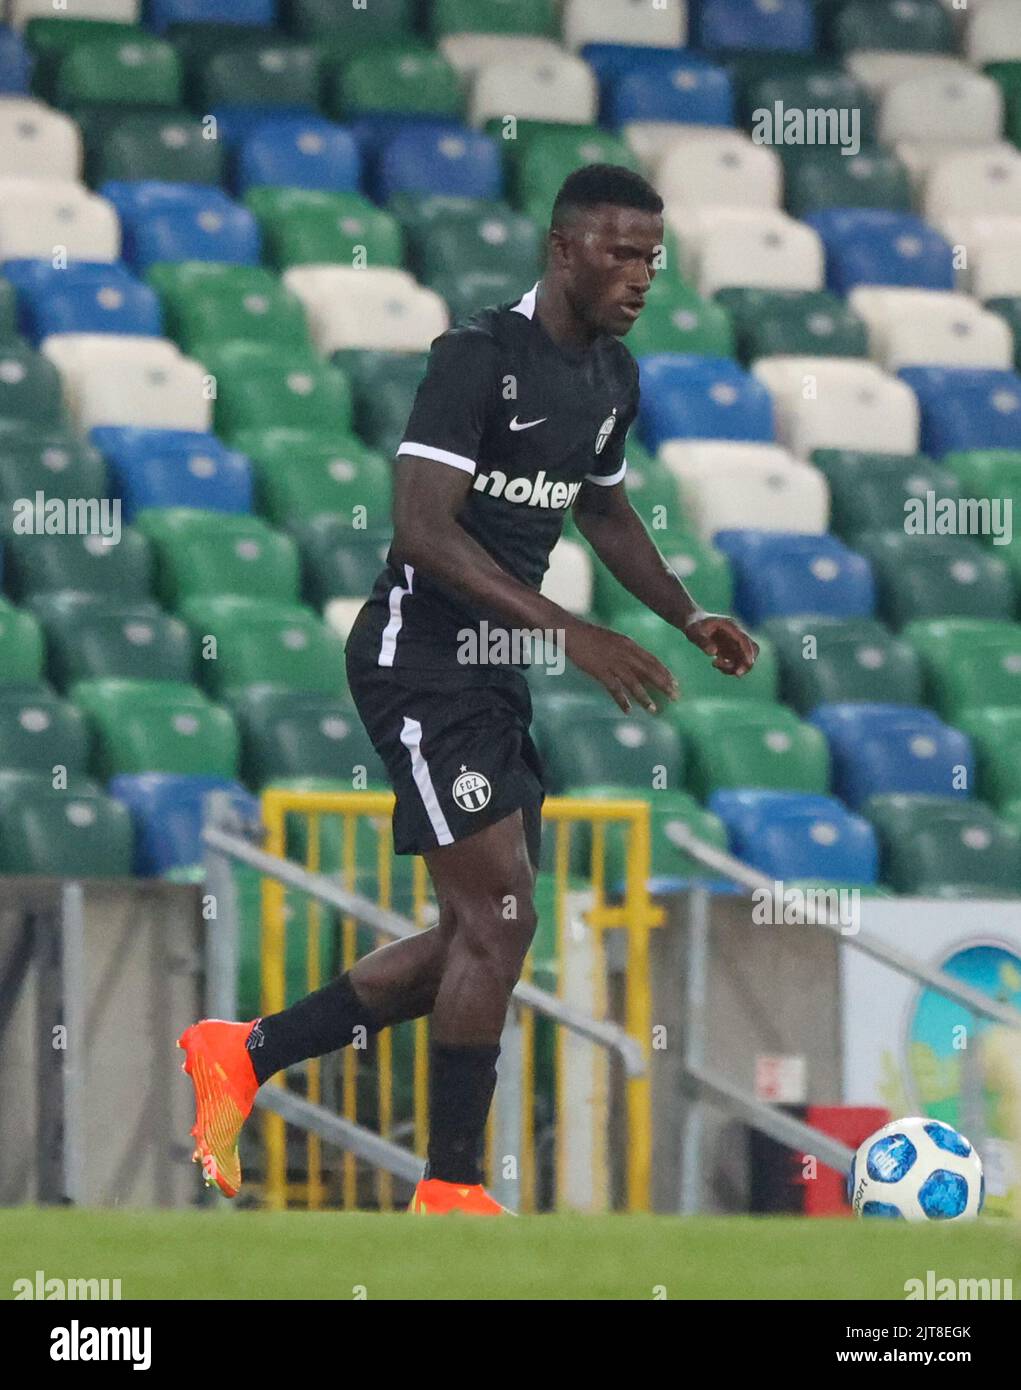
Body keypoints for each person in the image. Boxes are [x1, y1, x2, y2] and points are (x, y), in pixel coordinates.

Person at [178, 164, 758, 1215]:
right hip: (417, 656)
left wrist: (685, 613)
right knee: (499, 918)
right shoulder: (476, 358)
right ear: (562, 246)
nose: (640, 275)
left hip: (490, 673)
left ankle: (244, 1052)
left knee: (474, 935)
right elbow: (422, 528)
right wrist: (572, 631)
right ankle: (449, 1189)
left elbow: (607, 513)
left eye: (652, 257)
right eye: (620, 252)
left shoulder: (612, 379)